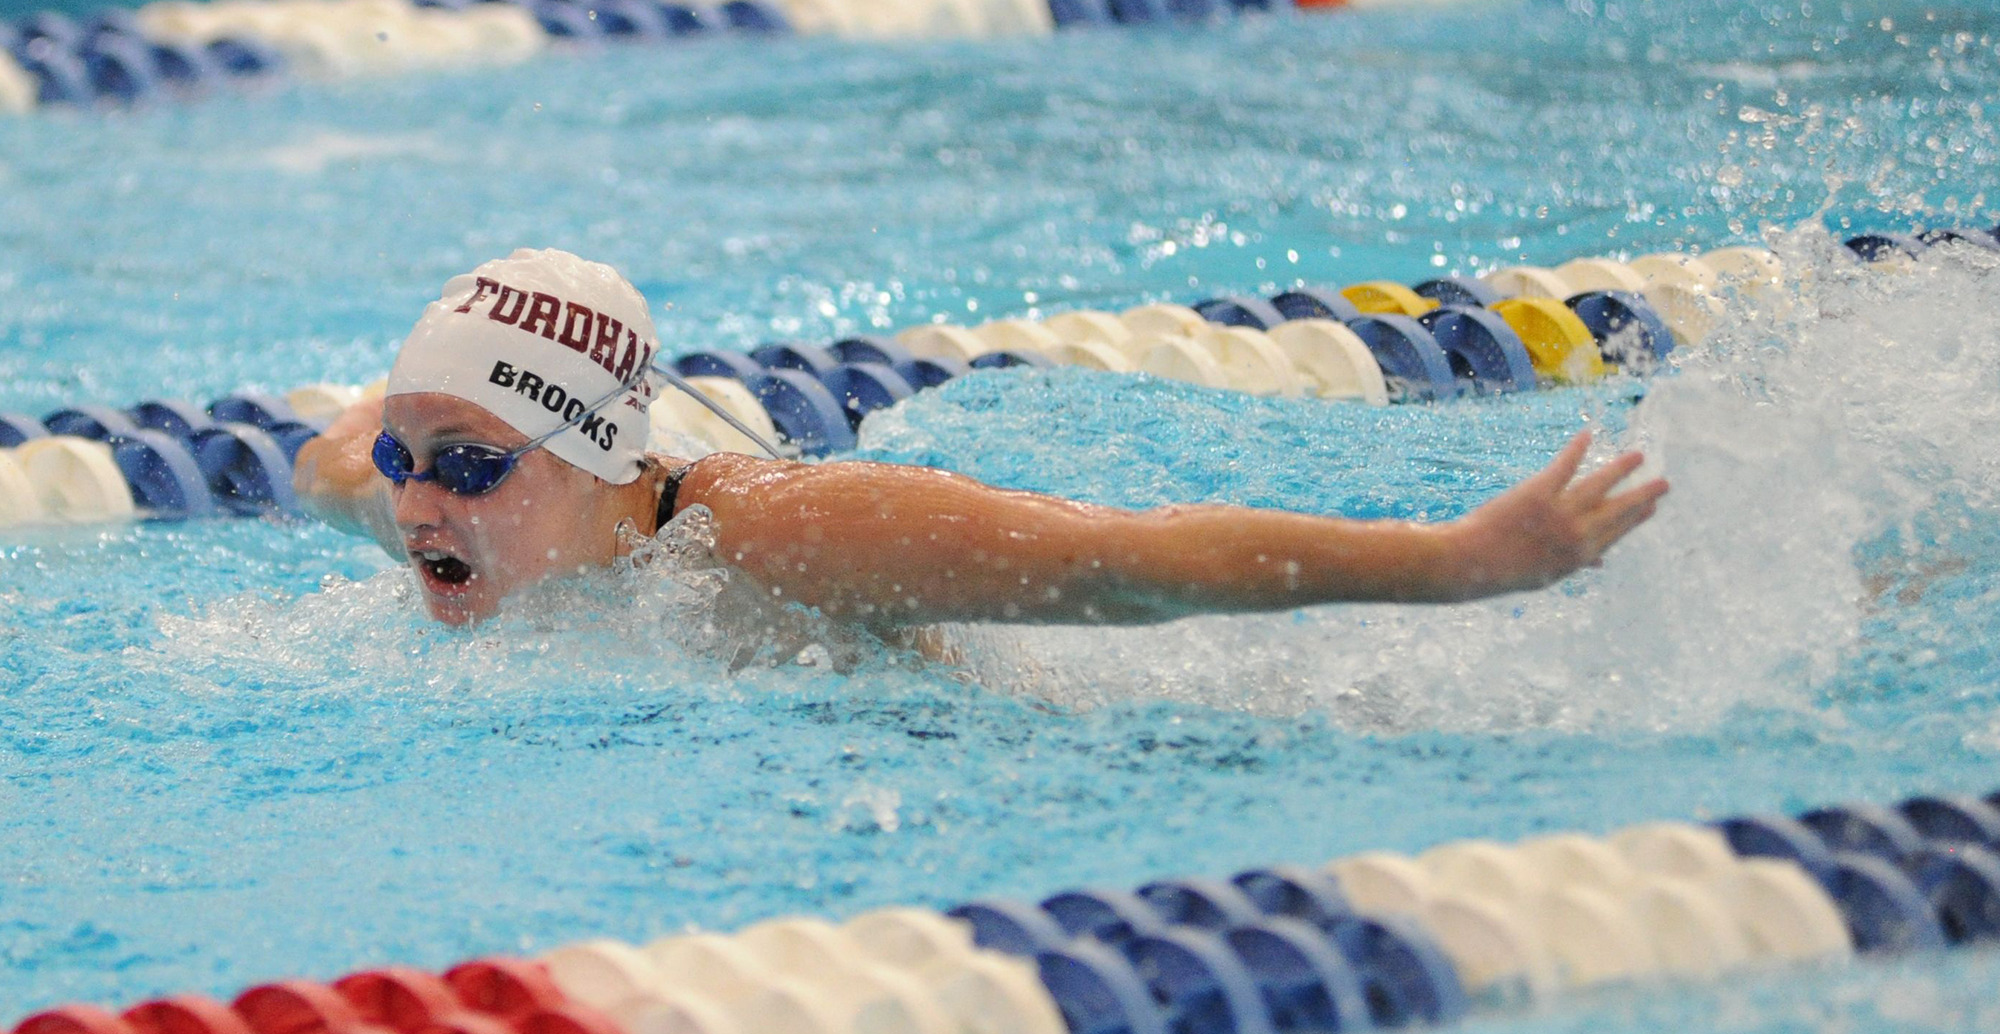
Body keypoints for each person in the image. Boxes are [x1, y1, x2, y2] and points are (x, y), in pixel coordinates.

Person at [295, 249, 1669, 628]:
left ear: (600, 453)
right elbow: (334, 456)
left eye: (473, 465)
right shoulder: (425, 507)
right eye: (416, 461)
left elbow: (1124, 566)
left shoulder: (770, 530)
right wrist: (408, 430)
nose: (421, 504)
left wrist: (1454, 562)